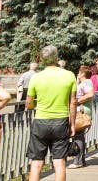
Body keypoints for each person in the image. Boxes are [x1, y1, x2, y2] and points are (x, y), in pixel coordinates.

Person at [25, 45, 77, 181]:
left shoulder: (36, 77)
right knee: (59, 162)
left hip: (41, 121)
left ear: (42, 59)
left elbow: (29, 103)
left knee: (36, 163)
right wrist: (72, 124)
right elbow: (73, 102)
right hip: (61, 121)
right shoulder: (69, 75)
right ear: (56, 58)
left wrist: (37, 104)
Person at [70, 66, 94, 169]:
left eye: (79, 72)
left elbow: (90, 94)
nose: (78, 74)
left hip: (81, 112)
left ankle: (78, 161)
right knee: (80, 136)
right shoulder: (83, 82)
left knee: (78, 135)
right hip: (82, 111)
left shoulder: (87, 82)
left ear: (83, 74)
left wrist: (77, 102)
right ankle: (81, 160)